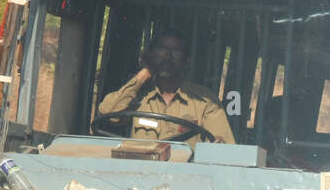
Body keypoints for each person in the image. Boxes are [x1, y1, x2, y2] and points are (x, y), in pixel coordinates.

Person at [97, 31, 235, 145]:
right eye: (162, 49)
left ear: (186, 62)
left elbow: (224, 148)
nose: (167, 57)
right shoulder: (138, 96)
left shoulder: (205, 102)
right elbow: (108, 114)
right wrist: (143, 75)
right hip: (140, 173)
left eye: (176, 52)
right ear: (152, 54)